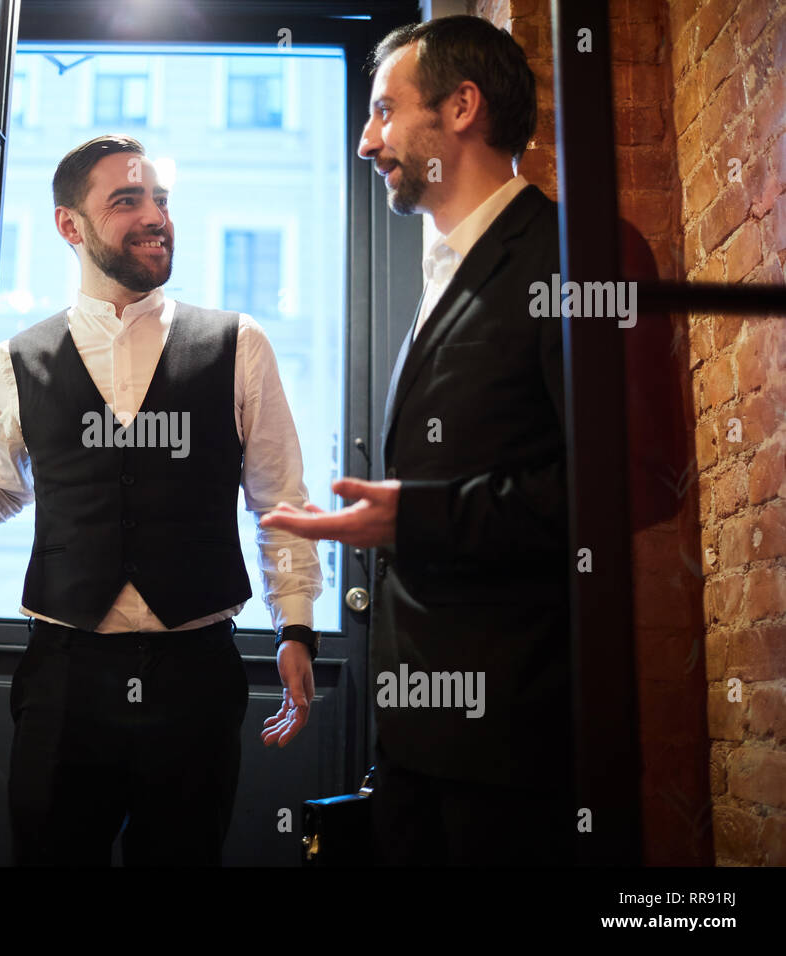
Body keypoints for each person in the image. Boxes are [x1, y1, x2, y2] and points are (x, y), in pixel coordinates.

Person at [0, 134, 322, 865]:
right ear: (69, 225)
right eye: (127, 201)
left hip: (196, 675)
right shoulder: (17, 360)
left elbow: (281, 501)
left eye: (161, 202)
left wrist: (294, 625)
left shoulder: (239, 343)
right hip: (64, 678)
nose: (155, 218)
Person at [261, 15, 574, 865]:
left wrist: (417, 519)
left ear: (462, 107)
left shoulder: (565, 260)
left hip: (508, 751)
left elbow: (612, 491)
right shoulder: (447, 269)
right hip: (416, 742)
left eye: (383, 111)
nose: (368, 142)